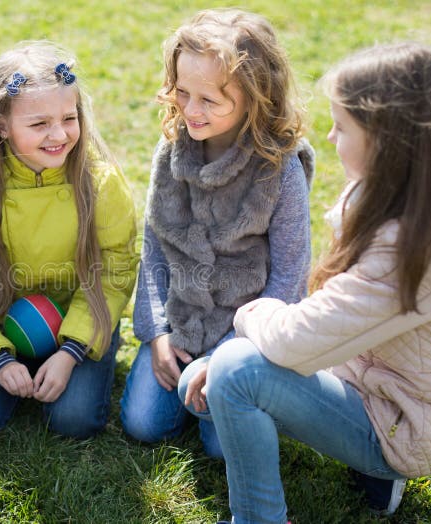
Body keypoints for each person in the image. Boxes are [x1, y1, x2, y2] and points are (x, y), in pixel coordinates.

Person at [179, 42, 431, 523]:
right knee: (203, 384)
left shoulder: (413, 247)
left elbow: (297, 340)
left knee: (234, 371)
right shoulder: (411, 193)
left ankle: (260, 517)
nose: (333, 140)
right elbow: (333, 319)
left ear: (386, 138)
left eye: (343, 127)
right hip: (361, 375)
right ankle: (372, 479)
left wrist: (248, 316)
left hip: (398, 423)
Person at [120, 8, 314, 457]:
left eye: (209, 99)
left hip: (242, 335)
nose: (190, 110)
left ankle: (237, 395)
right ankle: (192, 394)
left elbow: (289, 278)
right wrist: (158, 334)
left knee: (220, 449)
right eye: (183, 93)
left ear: (255, 96)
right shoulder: (171, 150)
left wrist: (224, 356)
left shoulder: (280, 169)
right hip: (181, 322)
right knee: (142, 424)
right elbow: (154, 252)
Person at [0, 41, 138, 439]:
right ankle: (13, 367)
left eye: (68, 117)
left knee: (73, 420)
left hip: (81, 318)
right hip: (0, 323)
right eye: (39, 124)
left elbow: (115, 268)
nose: (59, 134)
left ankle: (83, 356)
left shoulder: (101, 183)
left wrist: (71, 351)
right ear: (1, 125)